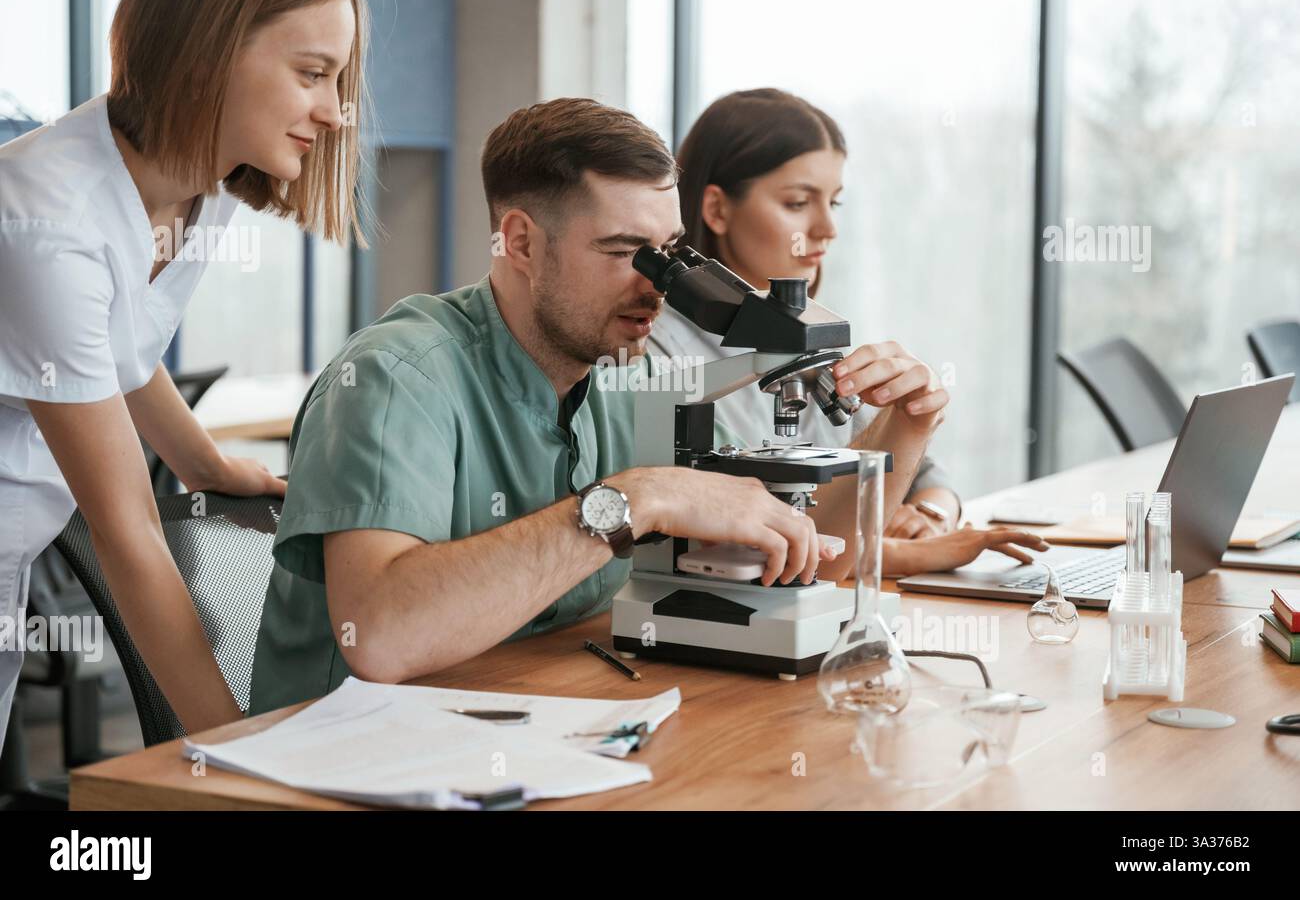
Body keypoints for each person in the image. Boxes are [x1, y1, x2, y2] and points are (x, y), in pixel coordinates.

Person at [248, 97, 977, 713]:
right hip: (349, 763)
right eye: (625, 250)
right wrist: (638, 495)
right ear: (522, 242)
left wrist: (906, 426)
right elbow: (378, 635)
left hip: (533, 718)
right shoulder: (396, 378)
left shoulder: (623, 377)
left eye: (669, 251)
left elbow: (812, 556)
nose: (656, 284)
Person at [0, 0, 370, 745]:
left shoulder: (205, 191)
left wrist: (204, 464)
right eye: (312, 74)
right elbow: (127, 528)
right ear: (208, 50)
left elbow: (121, 350)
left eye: (338, 80)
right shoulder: (47, 223)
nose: (337, 111)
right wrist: (239, 756)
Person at [652, 88, 1047, 576]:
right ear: (716, 209)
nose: (827, 229)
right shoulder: (660, 353)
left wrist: (929, 514)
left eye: (834, 203)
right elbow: (759, 536)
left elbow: (924, 472)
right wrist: (913, 552)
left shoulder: (806, 335)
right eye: (798, 202)